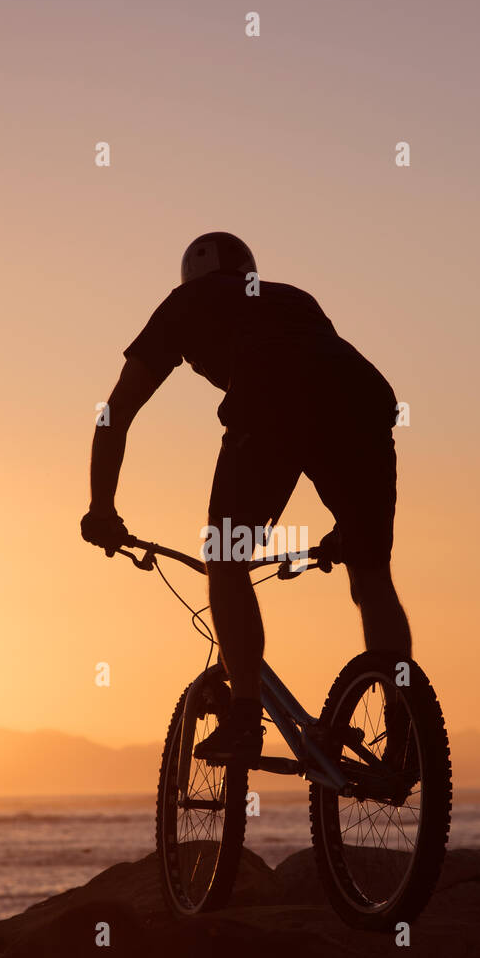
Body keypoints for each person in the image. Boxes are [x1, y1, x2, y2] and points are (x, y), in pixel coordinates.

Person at [81, 231, 411, 763]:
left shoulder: (186, 301)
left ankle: (243, 717)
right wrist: (348, 527)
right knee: (372, 575)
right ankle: (405, 734)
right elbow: (323, 391)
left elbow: (116, 411)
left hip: (269, 397)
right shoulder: (293, 297)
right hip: (365, 398)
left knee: (226, 558)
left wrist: (101, 508)